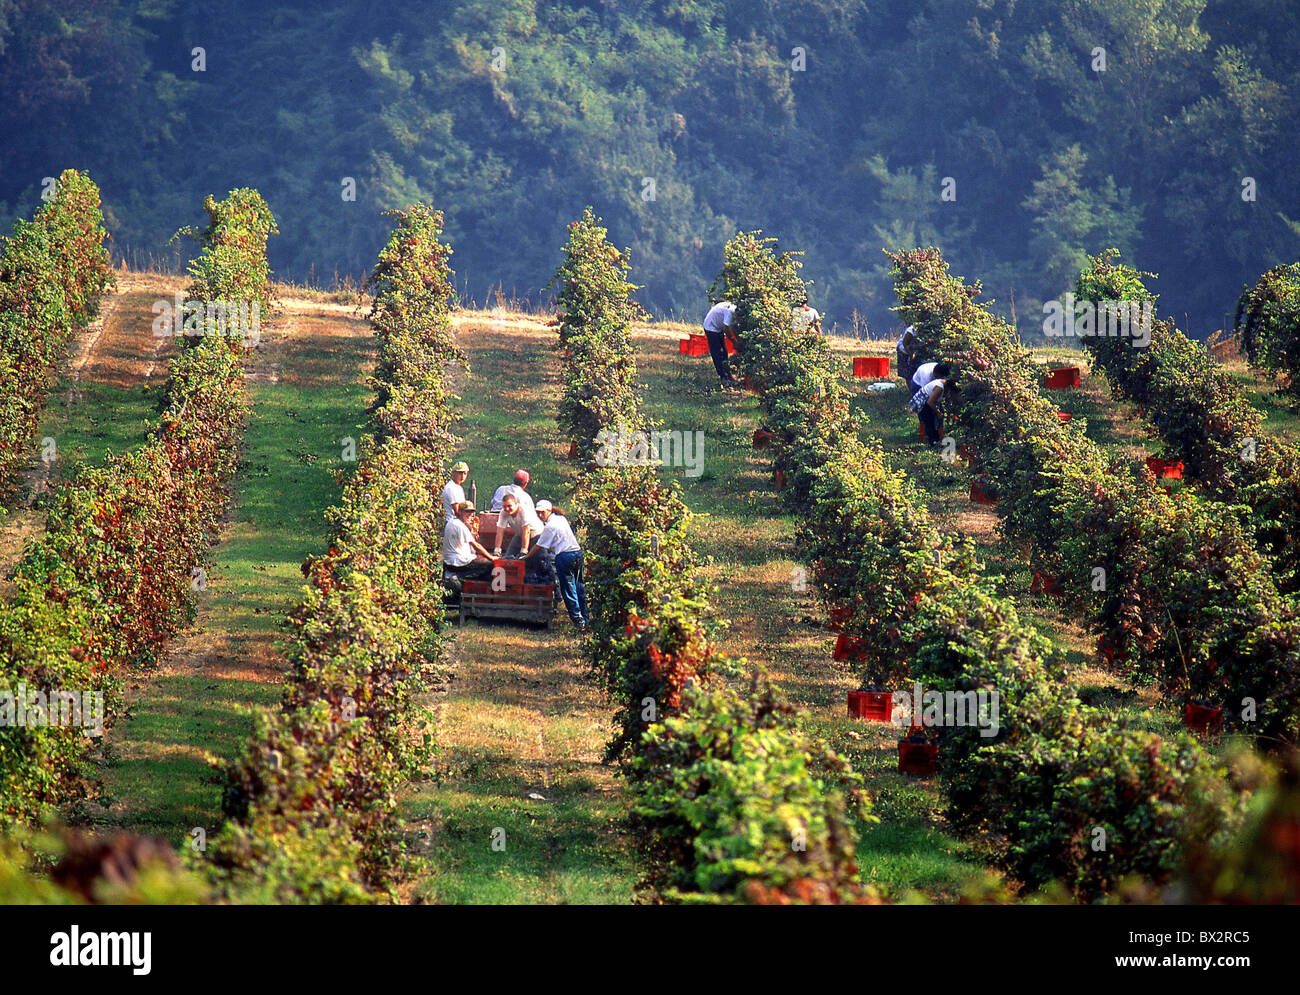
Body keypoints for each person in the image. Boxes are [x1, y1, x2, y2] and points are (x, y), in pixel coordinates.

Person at [527, 500, 589, 630]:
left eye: (542, 513)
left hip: (564, 556)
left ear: (549, 511)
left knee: (568, 589)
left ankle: (578, 621)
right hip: (577, 553)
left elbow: (539, 546)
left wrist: (526, 556)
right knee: (579, 587)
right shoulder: (561, 519)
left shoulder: (550, 527)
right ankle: (586, 618)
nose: (539, 515)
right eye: (537, 513)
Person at [442, 502, 495, 583]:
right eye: (467, 512)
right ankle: (461, 579)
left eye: (471, 512)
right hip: (458, 562)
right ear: (459, 512)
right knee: (490, 565)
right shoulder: (460, 526)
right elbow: (476, 546)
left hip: (449, 561)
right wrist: (492, 558)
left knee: (480, 559)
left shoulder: (451, 522)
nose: (470, 514)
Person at [701, 299, 741, 388]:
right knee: (717, 352)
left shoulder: (735, 310)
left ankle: (728, 374)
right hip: (710, 326)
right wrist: (734, 342)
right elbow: (726, 328)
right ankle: (723, 376)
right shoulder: (730, 312)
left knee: (724, 352)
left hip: (718, 326)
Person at [494, 492, 545, 559]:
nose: (507, 509)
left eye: (509, 506)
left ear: (516, 504)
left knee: (531, 559)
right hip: (520, 535)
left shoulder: (523, 511)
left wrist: (523, 551)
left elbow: (526, 531)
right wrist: (497, 550)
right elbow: (500, 532)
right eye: (504, 506)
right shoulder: (503, 513)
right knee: (508, 557)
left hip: (536, 535)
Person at [909, 374, 948, 448]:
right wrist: (938, 413)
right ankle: (933, 444)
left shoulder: (942, 383)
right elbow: (930, 402)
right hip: (923, 402)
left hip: (926, 400)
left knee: (933, 422)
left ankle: (935, 441)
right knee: (929, 422)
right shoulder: (939, 387)